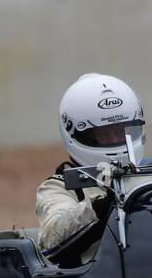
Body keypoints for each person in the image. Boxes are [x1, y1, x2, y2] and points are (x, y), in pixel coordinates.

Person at [34, 73, 144, 263]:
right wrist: (104, 204)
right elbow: (52, 238)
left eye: (122, 131)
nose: (116, 140)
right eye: (104, 134)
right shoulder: (58, 188)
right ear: (77, 133)